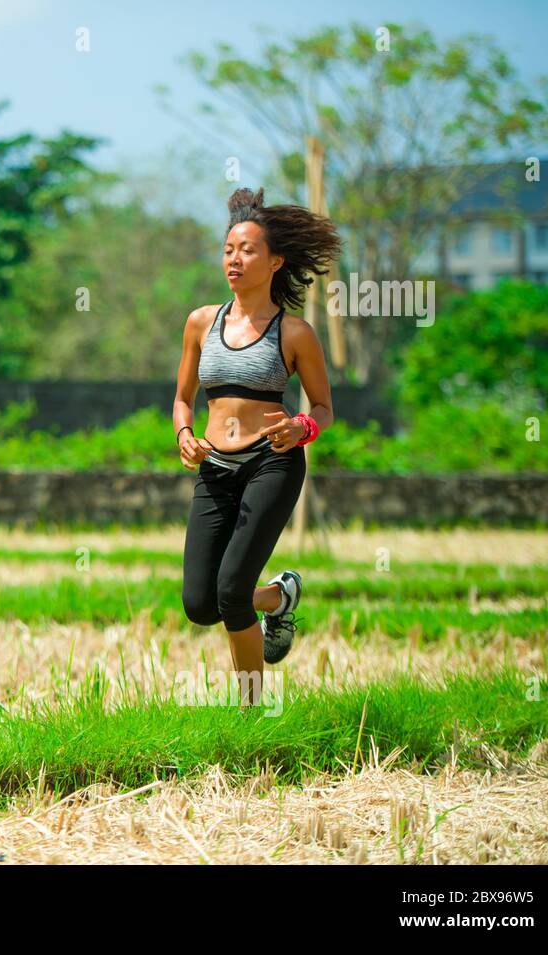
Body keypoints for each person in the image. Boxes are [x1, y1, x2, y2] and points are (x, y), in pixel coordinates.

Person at [172, 186, 341, 704]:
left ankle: (251, 712)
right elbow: (182, 399)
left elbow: (323, 409)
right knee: (201, 604)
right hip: (216, 469)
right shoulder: (202, 322)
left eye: (246, 250)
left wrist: (301, 430)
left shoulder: (294, 333)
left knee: (230, 593)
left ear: (274, 261)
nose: (234, 259)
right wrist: (185, 436)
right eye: (228, 250)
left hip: (272, 465)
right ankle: (279, 596)